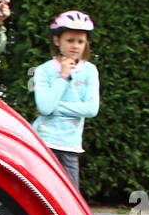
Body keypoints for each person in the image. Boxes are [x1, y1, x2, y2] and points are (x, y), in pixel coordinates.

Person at [31, 10, 99, 190]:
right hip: (44, 141)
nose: (75, 46)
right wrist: (63, 76)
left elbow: (91, 109)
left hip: (71, 145)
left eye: (80, 41)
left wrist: (55, 107)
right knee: (42, 193)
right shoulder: (44, 70)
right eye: (70, 40)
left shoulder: (90, 70)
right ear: (57, 40)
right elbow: (44, 108)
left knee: (70, 197)